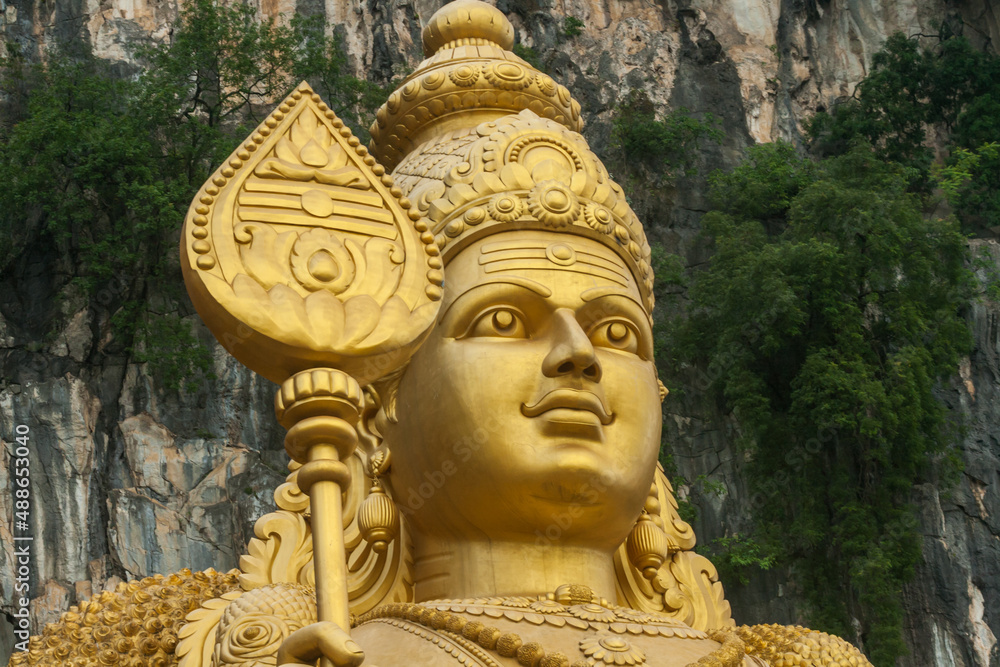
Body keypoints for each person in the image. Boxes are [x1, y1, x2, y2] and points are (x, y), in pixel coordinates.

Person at [10, 2, 874, 666]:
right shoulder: (226, 640)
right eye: (503, 319)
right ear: (378, 400)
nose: (578, 353)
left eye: (618, 332)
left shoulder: (798, 658)